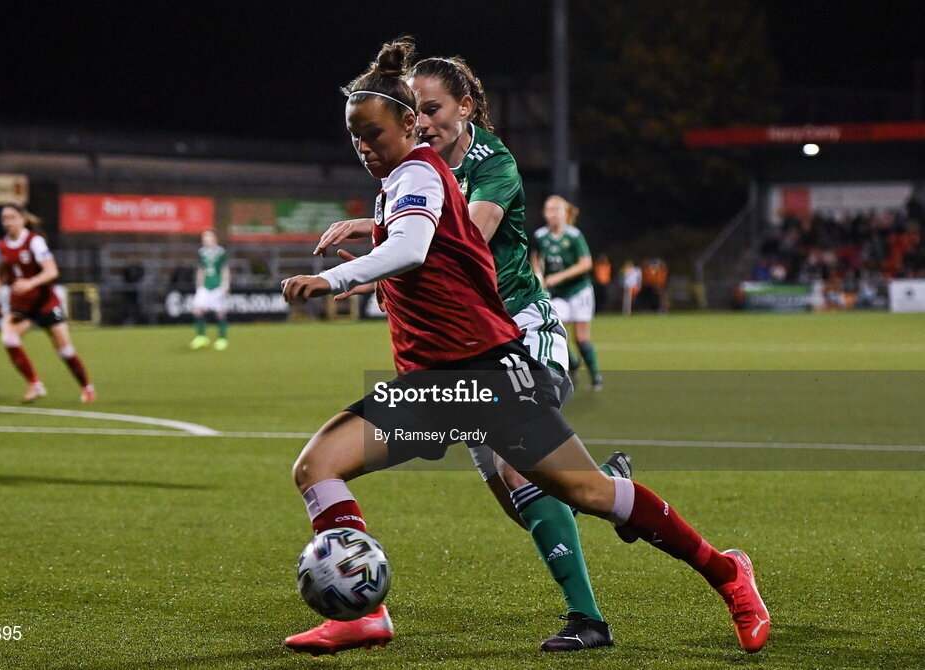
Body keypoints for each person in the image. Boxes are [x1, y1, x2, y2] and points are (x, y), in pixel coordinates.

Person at [280, 37, 769, 658]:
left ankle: (726, 573)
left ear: (430, 116)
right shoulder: (405, 177)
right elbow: (420, 246)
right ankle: (362, 616)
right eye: (355, 138)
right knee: (317, 468)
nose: (364, 148)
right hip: (432, 383)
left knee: (583, 491)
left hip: (489, 368)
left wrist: (338, 278)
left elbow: (417, 247)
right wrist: (380, 243)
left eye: (374, 133)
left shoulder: (430, 171)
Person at [311, 52, 629, 652]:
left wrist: (379, 248)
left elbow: (460, 241)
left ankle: (588, 619)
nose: (422, 120)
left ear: (467, 107)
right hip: (465, 350)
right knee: (519, 495)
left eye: (431, 109)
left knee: (518, 469)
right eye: (414, 110)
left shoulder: (492, 164)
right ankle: (609, 488)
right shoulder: (412, 174)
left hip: (522, 333)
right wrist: (382, 237)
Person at [0, 204, 95, 404]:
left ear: (22, 219)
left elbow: (52, 271)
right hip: (21, 306)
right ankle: (35, 384)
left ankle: (87, 387)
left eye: (12, 217)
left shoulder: (35, 242)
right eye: (4, 219)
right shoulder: (0, 245)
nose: (7, 222)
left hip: (46, 303)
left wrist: (30, 283)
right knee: (9, 338)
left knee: (65, 350)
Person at [532, 196, 603, 391]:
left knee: (581, 338)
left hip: (579, 291)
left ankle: (595, 376)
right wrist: (538, 274)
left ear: (565, 213)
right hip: (558, 294)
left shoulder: (573, 235)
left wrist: (560, 276)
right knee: (556, 332)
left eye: (556, 210)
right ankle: (572, 364)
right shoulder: (540, 235)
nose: (552, 214)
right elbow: (536, 259)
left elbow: (586, 263)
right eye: (548, 210)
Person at [189, 230, 230, 351]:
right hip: (205, 286)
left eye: (208, 237)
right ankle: (201, 337)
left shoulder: (221, 252)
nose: (205, 240)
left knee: (220, 312)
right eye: (204, 238)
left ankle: (222, 339)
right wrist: (198, 284)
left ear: (214, 239)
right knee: (198, 310)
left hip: (217, 286)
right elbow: (201, 269)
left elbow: (225, 269)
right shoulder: (201, 252)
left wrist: (226, 285)